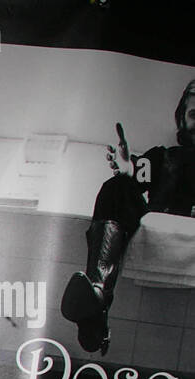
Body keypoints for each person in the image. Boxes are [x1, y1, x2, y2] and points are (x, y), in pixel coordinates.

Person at [61, 81, 195, 355]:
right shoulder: (161, 157)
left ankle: (95, 316)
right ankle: (98, 291)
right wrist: (128, 169)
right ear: (182, 119)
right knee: (116, 186)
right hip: (155, 215)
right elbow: (138, 173)